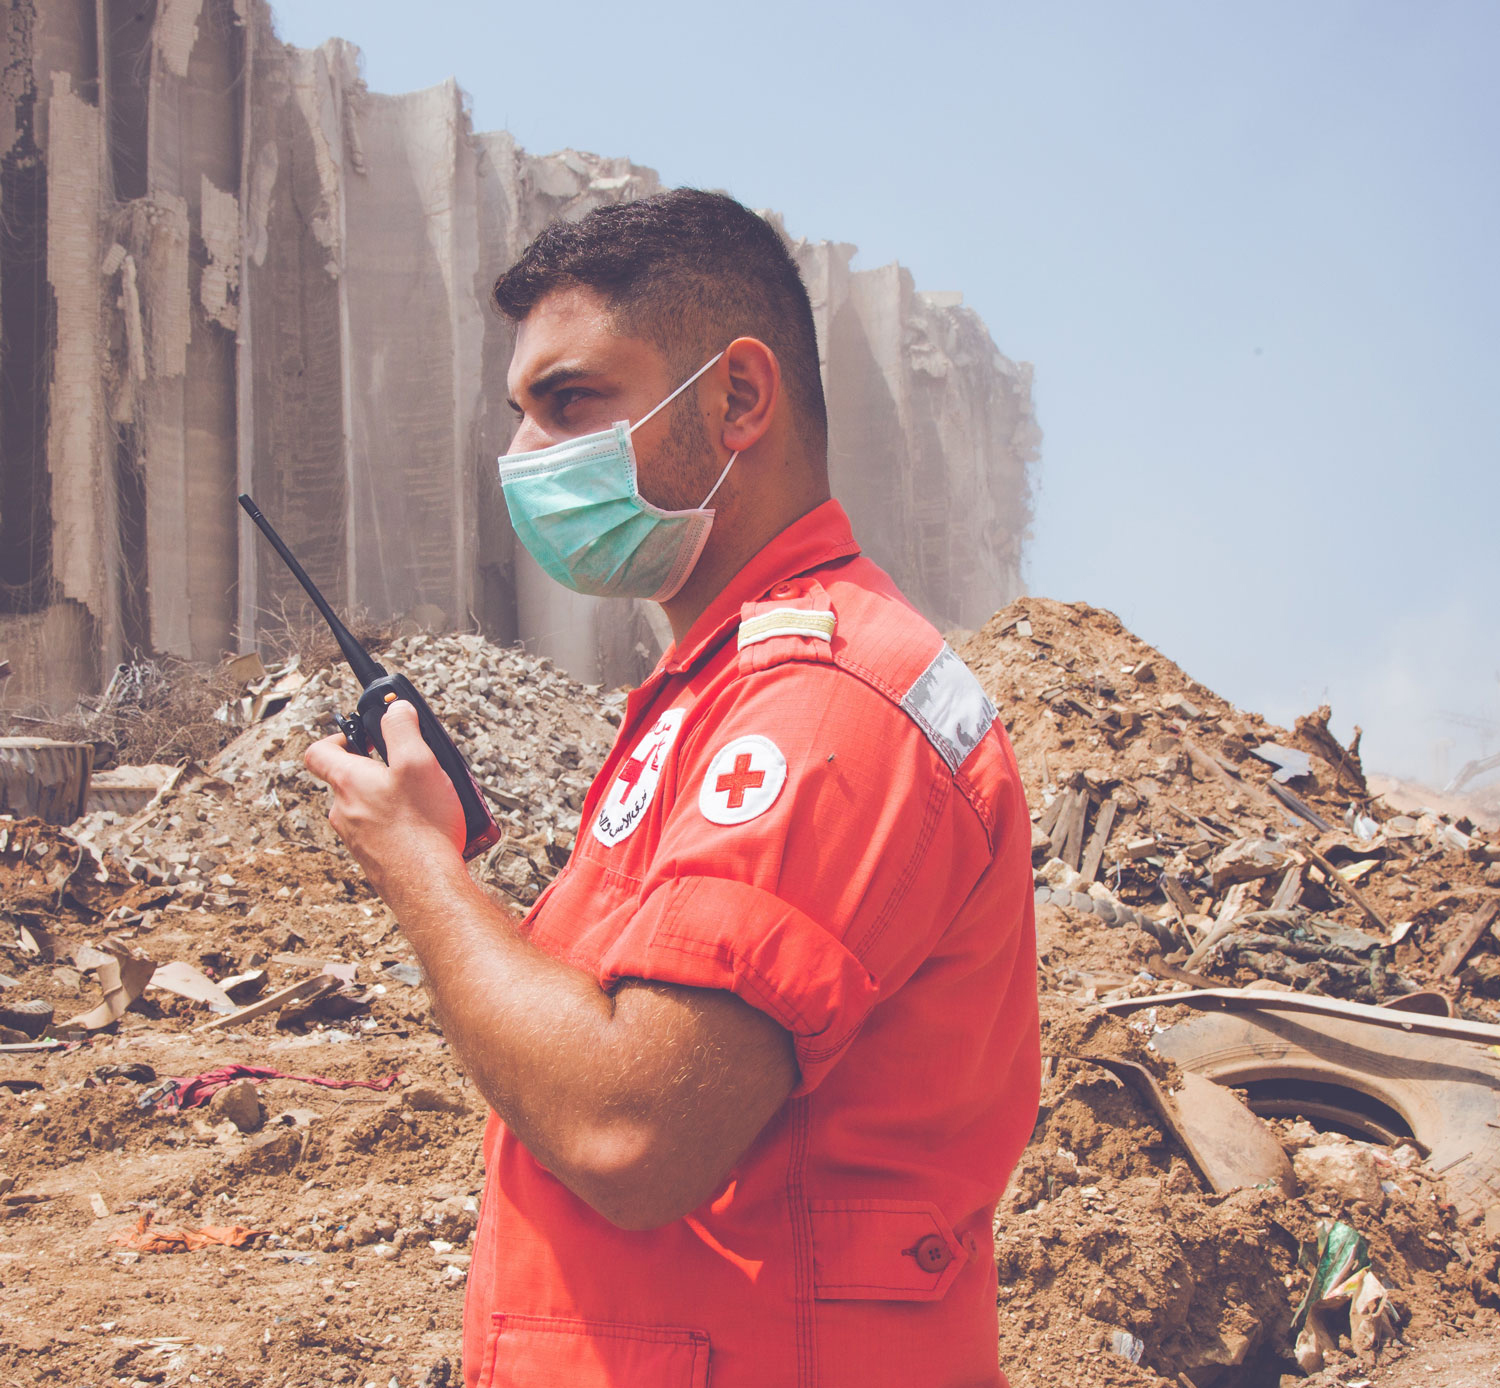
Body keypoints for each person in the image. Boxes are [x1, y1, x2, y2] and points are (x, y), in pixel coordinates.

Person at [305, 189, 1040, 1388]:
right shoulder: (717, 688)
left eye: (572, 400)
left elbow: (629, 1126)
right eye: (518, 413)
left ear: (737, 396)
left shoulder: (821, 706)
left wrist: (418, 869)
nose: (526, 457)